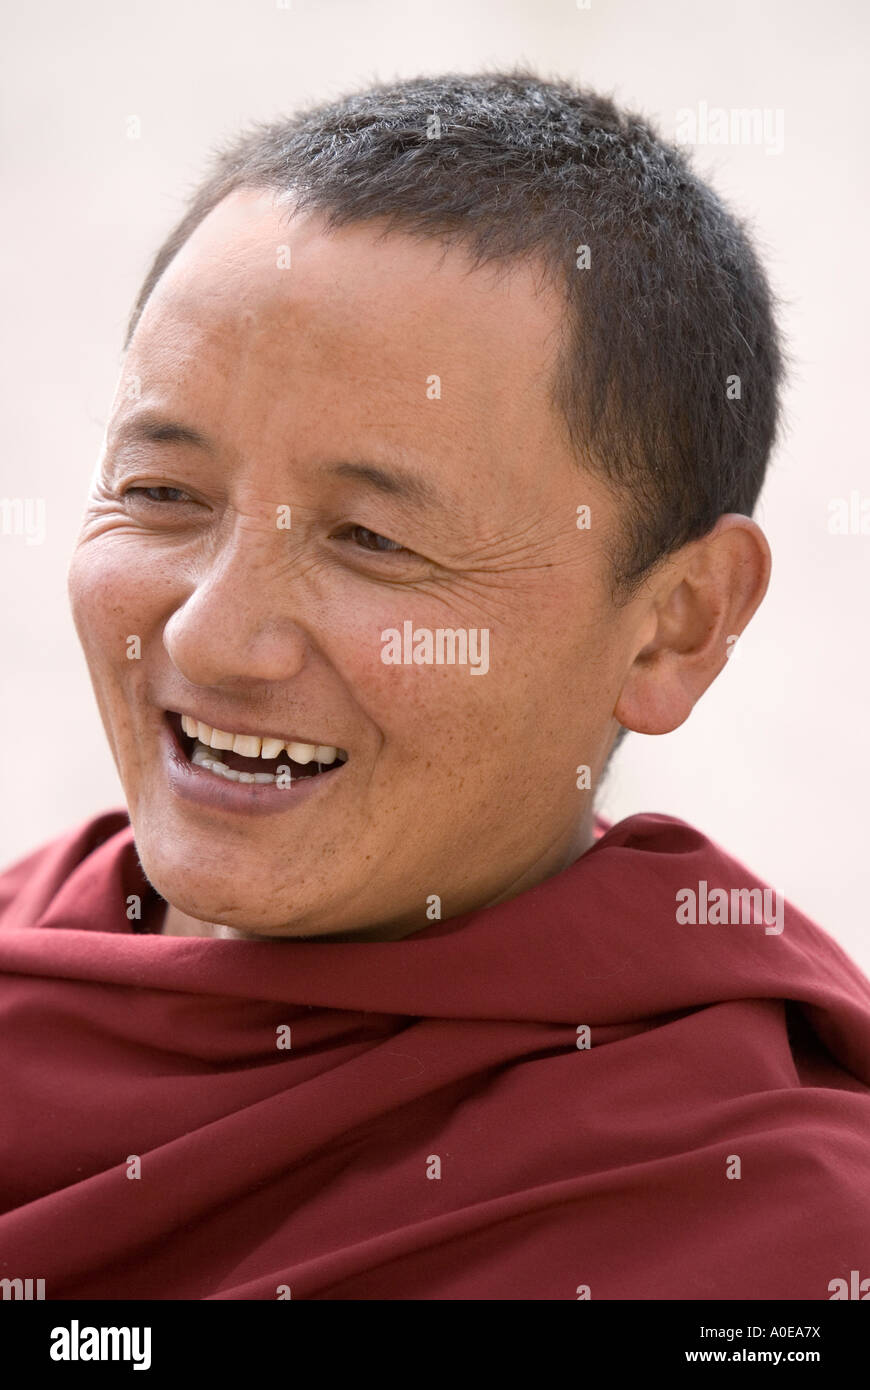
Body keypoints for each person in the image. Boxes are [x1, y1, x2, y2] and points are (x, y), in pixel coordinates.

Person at [1, 71, 867, 1301]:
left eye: (372, 541)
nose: (211, 637)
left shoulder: (770, 1236)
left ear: (675, 625)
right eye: (162, 495)